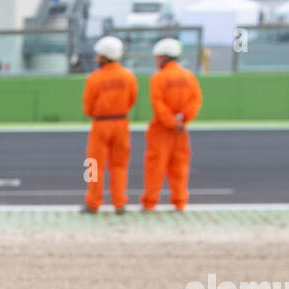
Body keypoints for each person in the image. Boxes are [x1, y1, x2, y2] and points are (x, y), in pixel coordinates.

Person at [142, 38, 203, 211]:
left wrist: (170, 121)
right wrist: (183, 120)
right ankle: (179, 202)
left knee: (155, 167)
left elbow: (158, 103)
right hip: (181, 130)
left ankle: (150, 202)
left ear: (163, 57)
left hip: (162, 129)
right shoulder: (189, 77)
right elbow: (196, 101)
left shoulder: (158, 78)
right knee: (180, 167)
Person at [81, 37, 138, 214]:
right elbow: (132, 99)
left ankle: (93, 203)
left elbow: (87, 106)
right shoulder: (128, 76)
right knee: (119, 165)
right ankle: (120, 203)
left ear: (105, 56)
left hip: (100, 124)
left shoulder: (95, 78)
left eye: (98, 55)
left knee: (94, 164)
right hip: (121, 123)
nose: (96, 58)